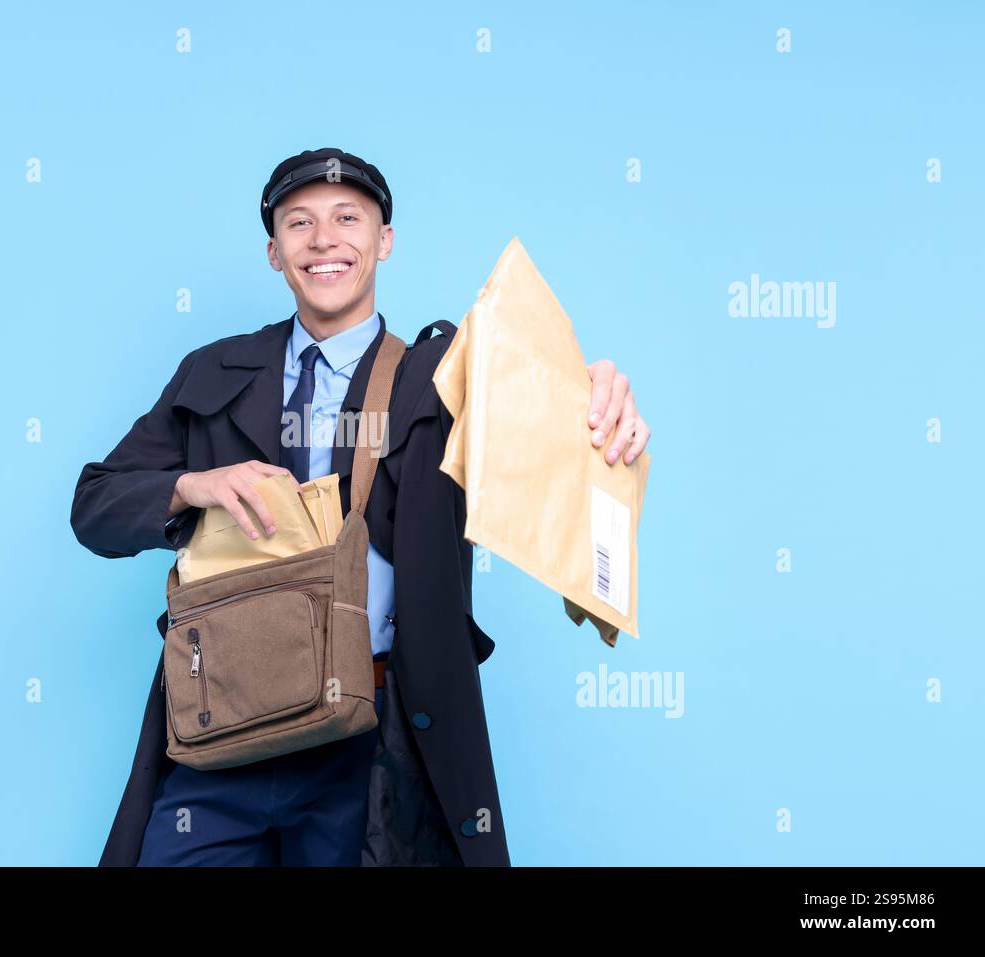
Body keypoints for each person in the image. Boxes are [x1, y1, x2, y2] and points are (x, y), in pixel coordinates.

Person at [70, 147, 651, 866]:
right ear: (275, 252)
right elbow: (93, 503)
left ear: (385, 240)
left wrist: (591, 393)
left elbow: (555, 455)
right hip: (221, 734)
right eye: (299, 223)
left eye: (348, 218)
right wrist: (190, 487)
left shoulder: (444, 378)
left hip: (370, 744)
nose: (323, 240)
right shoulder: (212, 371)